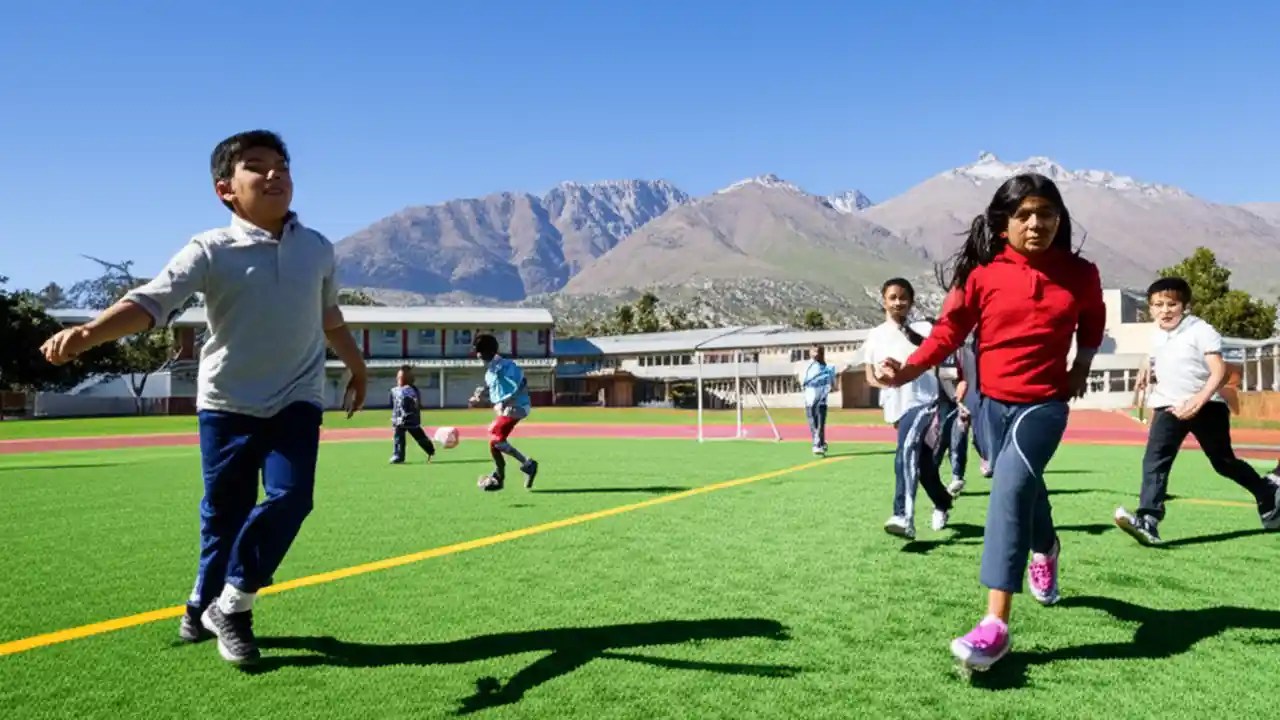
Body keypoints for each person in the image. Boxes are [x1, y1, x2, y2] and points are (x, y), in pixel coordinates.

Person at [39, 130, 368, 667]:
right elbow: (152, 301)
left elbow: (328, 315)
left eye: (282, 165)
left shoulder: (318, 248)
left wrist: (356, 367)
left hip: (297, 396)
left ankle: (232, 606)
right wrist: (87, 334)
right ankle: (201, 602)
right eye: (257, 167)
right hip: (228, 401)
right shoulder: (210, 249)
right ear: (226, 189)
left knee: (292, 497)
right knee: (225, 513)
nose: (274, 174)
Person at [875, 172, 1106, 672]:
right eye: (1023, 215)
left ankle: (995, 624)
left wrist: (1080, 367)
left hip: (1044, 404)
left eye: (1046, 214)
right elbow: (948, 332)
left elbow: (1093, 320)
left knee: (1009, 486)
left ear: (1059, 219)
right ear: (1003, 224)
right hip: (988, 404)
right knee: (1024, 488)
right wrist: (907, 371)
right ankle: (1046, 547)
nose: (1036, 223)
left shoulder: (1081, 273)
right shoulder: (981, 273)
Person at [1114, 277, 1280, 544]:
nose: (1165, 310)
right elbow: (1158, 352)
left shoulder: (1201, 330)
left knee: (1223, 462)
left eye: (1172, 304)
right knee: (1155, 460)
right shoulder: (1157, 333)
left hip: (1207, 407)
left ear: (1185, 306)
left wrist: (1200, 400)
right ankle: (1149, 520)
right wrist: (1146, 364)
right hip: (1169, 406)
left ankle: (1266, 491)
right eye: (1158, 305)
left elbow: (1219, 370)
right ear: (1151, 308)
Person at [863, 277, 956, 540]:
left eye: (903, 297)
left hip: (924, 402)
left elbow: (935, 357)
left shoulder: (924, 329)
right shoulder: (875, 336)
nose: (898, 302)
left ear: (911, 301)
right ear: (884, 300)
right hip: (897, 405)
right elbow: (870, 377)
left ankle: (903, 515)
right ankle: (943, 502)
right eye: (892, 297)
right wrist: (885, 377)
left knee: (904, 451)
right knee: (924, 466)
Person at [473, 333, 539, 491]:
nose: (477, 355)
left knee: (494, 435)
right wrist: (481, 394)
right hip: (506, 409)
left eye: (479, 351)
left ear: (489, 351)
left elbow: (521, 383)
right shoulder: (489, 373)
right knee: (494, 443)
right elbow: (495, 391)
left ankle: (523, 464)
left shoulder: (506, 366)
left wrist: (506, 401)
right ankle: (501, 475)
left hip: (517, 407)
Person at [389, 365, 436, 464]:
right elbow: (394, 404)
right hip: (398, 419)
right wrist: (394, 417)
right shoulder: (394, 390)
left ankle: (430, 450)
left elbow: (415, 403)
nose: (399, 378)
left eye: (401, 376)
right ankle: (398, 456)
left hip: (410, 419)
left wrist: (412, 411)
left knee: (419, 436)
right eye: (398, 376)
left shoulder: (410, 390)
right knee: (398, 437)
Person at [799, 344, 837, 456]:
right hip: (809, 399)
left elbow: (832, 383)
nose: (815, 354)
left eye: (818, 352)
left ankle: (817, 445)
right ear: (810, 353)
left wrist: (830, 387)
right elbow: (802, 380)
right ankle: (820, 443)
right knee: (813, 423)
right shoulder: (806, 366)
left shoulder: (828, 367)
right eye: (813, 351)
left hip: (821, 399)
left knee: (820, 423)